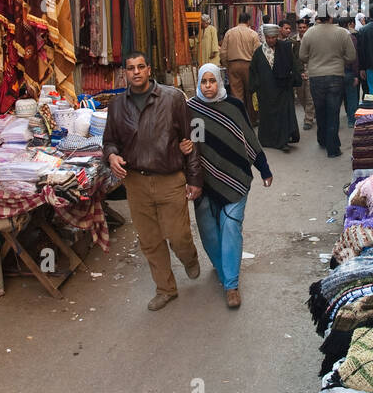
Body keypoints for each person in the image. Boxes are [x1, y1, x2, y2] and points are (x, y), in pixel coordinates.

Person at [104, 49, 204, 312]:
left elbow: (191, 140)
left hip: (170, 179)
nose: (135, 72)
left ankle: (189, 257)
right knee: (150, 240)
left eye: (140, 66)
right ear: (124, 73)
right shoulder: (116, 106)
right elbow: (109, 141)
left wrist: (194, 178)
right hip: (136, 183)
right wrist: (112, 155)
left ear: (149, 69)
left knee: (178, 234)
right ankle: (165, 288)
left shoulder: (172, 98)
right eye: (130, 68)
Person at [183, 64, 272, 309]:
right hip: (203, 180)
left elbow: (248, 138)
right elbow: (194, 141)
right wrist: (185, 152)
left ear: (220, 82)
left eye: (213, 81)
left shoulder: (234, 106)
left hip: (235, 178)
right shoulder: (192, 109)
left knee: (231, 227)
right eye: (204, 82)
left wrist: (263, 168)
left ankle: (231, 285)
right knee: (209, 231)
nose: (209, 86)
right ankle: (224, 269)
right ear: (199, 84)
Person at [298, 8, 356, 157]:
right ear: (331, 17)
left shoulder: (309, 33)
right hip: (336, 76)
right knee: (333, 111)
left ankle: (322, 139)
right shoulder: (342, 33)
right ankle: (333, 148)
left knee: (320, 109)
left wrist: (315, 59)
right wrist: (339, 59)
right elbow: (351, 56)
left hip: (316, 76)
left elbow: (302, 56)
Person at [249, 22, 301, 152]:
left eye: (273, 37)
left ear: (277, 36)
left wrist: (295, 79)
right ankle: (270, 140)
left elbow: (293, 65)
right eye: (268, 37)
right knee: (269, 116)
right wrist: (255, 87)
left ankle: (283, 141)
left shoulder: (285, 47)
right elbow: (253, 71)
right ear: (265, 37)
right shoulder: (259, 52)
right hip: (266, 91)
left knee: (283, 115)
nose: (271, 40)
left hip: (283, 88)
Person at [220, 11, 261, 121]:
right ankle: (252, 118)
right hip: (249, 66)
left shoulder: (229, 32)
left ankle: (239, 119)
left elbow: (223, 52)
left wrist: (226, 65)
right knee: (251, 92)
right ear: (248, 21)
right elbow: (257, 53)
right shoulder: (253, 34)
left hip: (233, 65)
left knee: (236, 93)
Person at [293, 15, 316, 130]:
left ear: (307, 28)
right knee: (301, 96)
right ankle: (311, 112)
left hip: (311, 70)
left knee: (310, 97)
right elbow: (293, 58)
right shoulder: (293, 41)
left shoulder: (312, 39)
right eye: (300, 27)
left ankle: (308, 119)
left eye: (304, 27)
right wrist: (299, 71)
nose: (302, 29)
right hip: (298, 72)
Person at [338, 15, 360, 127]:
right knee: (352, 97)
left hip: (336, 71)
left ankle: (334, 121)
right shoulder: (351, 38)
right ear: (348, 24)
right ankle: (352, 121)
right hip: (348, 71)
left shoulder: (334, 38)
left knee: (336, 98)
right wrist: (356, 75)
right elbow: (354, 58)